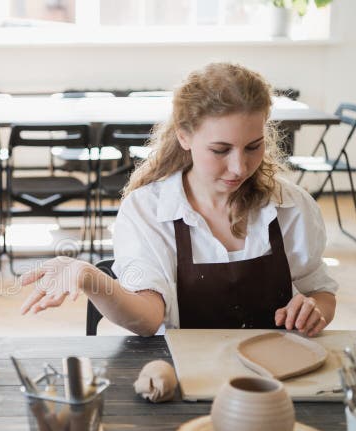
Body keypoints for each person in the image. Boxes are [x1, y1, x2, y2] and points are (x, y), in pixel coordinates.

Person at [20, 62, 337, 337]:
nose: (240, 167)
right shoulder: (147, 210)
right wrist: (90, 277)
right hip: (182, 376)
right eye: (220, 150)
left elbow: (319, 291)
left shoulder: (292, 206)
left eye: (253, 146)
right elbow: (148, 319)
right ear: (184, 136)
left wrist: (314, 308)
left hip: (274, 378)